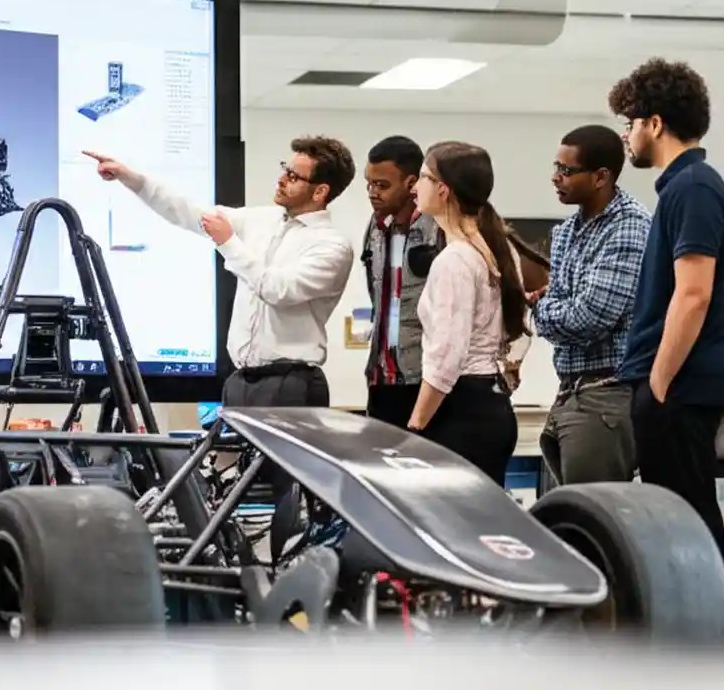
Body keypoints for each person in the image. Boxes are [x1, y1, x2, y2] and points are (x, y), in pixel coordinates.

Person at [82, 136, 356, 409]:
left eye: (294, 176)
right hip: (241, 380)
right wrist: (130, 177)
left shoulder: (331, 245)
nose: (282, 179)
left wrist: (228, 243)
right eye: (285, 169)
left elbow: (278, 289)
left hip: (290, 385)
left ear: (320, 192)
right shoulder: (261, 220)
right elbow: (187, 211)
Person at [608, 58, 724, 578]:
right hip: (671, 385)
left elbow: (692, 296)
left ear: (654, 123)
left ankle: (703, 644)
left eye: (631, 123)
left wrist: (659, 383)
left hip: (678, 387)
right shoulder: (683, 188)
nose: (627, 135)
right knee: (679, 522)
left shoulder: (694, 188)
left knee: (688, 522)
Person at [530, 125, 652, 485]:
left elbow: (587, 318)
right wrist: (554, 309)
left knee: (594, 520)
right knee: (570, 518)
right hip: (569, 390)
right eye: (556, 167)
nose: (556, 178)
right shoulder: (567, 231)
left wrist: (540, 310)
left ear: (601, 177)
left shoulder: (630, 227)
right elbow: (562, 307)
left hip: (606, 396)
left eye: (566, 171)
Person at [406, 141, 528, 486]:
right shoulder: (497, 248)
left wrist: (416, 425)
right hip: (490, 406)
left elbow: (446, 357)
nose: (415, 187)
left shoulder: (456, 260)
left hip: (461, 411)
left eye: (422, 177)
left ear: (443, 190)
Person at [359, 135, 440, 429]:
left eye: (382, 185)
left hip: (424, 378)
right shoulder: (376, 226)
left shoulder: (437, 227)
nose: (372, 192)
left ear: (410, 184)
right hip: (382, 377)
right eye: (369, 184)